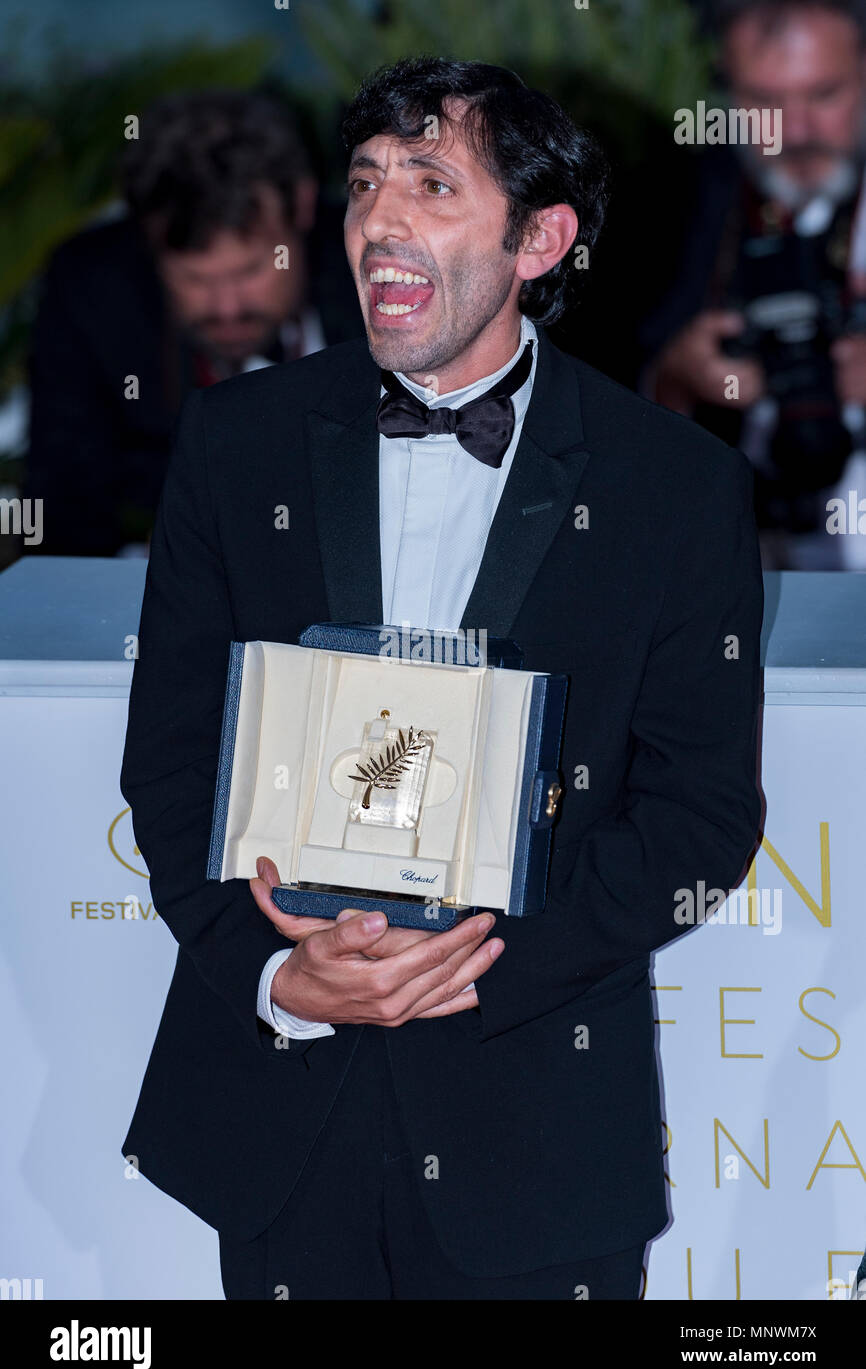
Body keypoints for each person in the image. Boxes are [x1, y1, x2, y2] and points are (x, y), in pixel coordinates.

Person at [119, 57, 764, 1301]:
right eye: (364, 183)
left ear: (539, 239)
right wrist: (276, 971)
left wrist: (465, 968)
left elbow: (699, 819)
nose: (378, 222)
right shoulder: (233, 440)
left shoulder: (672, 490)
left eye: (430, 183)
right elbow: (170, 760)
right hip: (278, 1115)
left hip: (533, 1132)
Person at [25, 88, 362, 558]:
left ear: (303, 205)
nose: (226, 308)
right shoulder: (90, 288)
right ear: (147, 238)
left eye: (250, 271)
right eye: (194, 279)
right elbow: (60, 496)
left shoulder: (377, 267)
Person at [643, 0, 866, 570]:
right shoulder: (682, 197)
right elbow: (604, 405)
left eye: (823, 94)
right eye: (764, 102)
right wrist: (678, 377)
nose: (795, 131)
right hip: (744, 559)